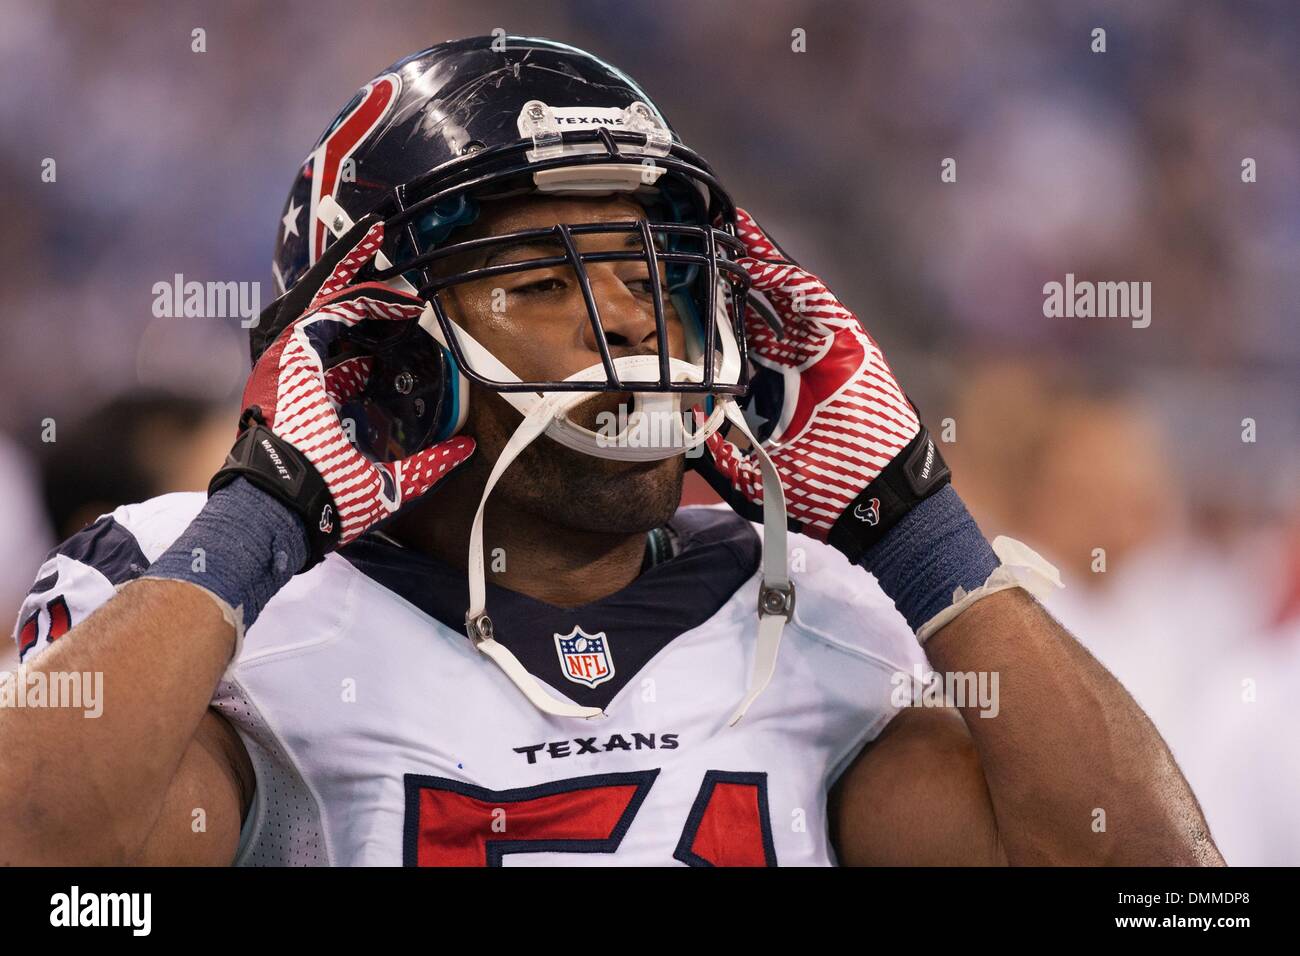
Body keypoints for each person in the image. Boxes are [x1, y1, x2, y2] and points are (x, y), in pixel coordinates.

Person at [1, 36, 1219, 866]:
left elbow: (1164, 885)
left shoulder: (811, 611)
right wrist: (258, 521)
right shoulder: (192, 593)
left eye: (656, 275)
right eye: (542, 279)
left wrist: (922, 530)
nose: (636, 321)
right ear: (375, 346)